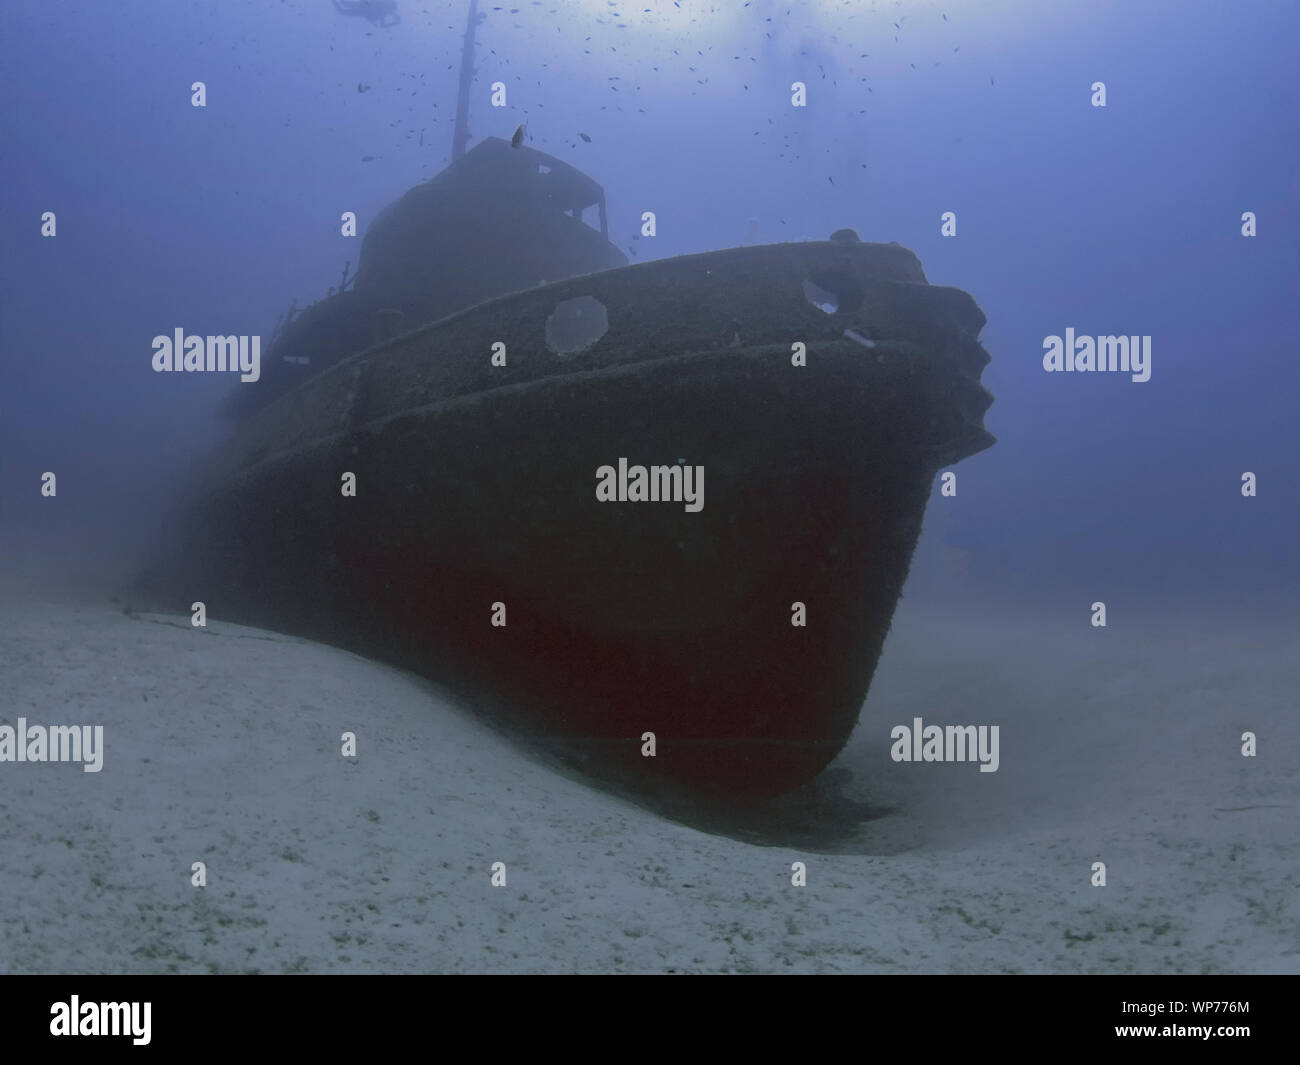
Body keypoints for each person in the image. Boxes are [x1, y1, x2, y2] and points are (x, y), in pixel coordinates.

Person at [331, 0, 400, 28]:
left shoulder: (384, 11)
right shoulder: (384, 11)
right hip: (364, 9)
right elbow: (382, 25)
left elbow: (382, 25)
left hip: (364, 9)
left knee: (344, 6)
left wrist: (395, 21)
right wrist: (394, 22)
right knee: (343, 8)